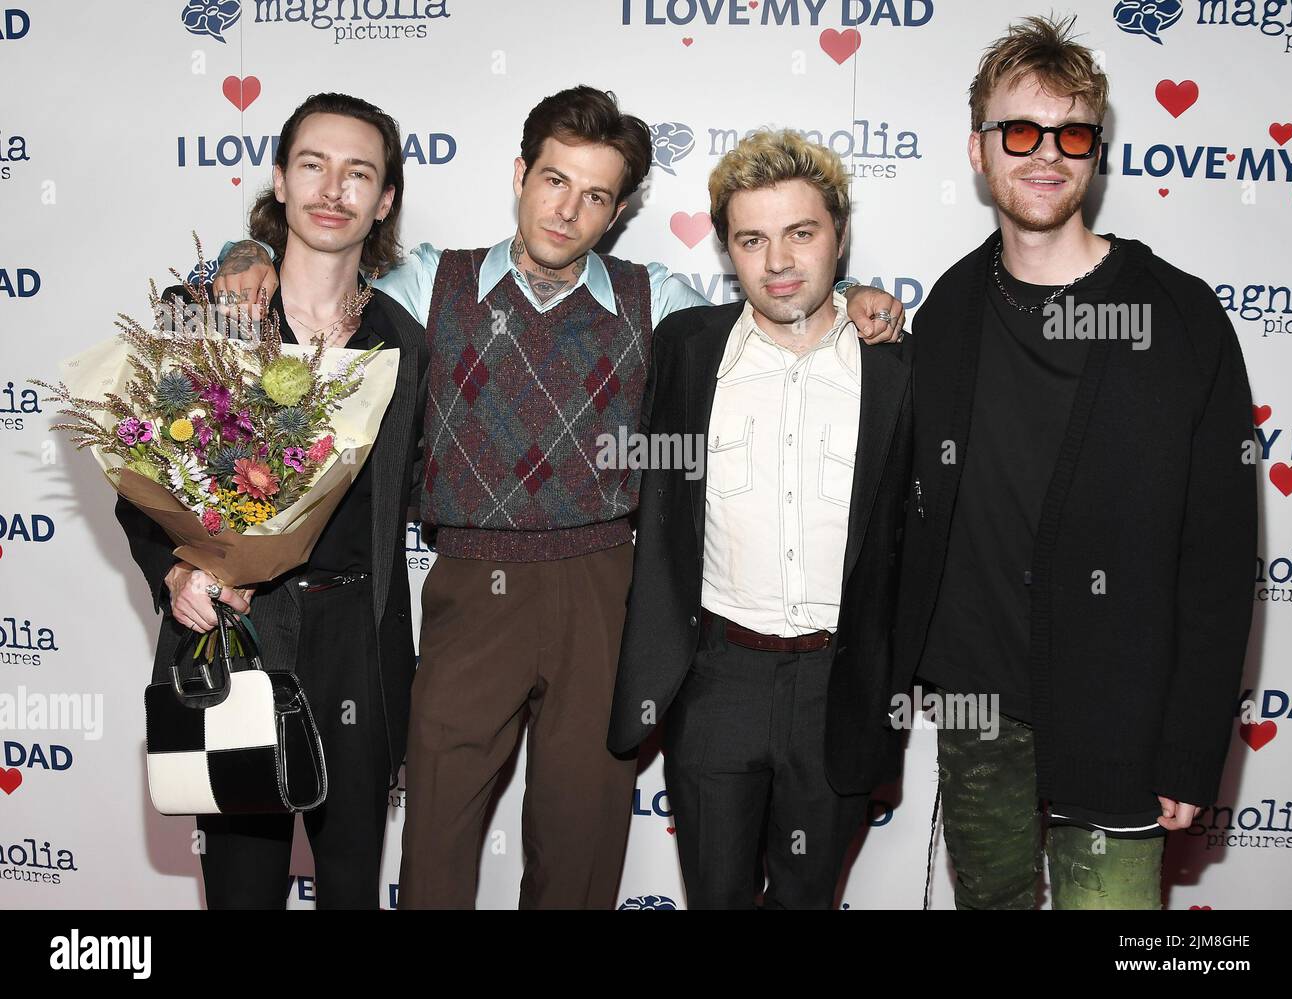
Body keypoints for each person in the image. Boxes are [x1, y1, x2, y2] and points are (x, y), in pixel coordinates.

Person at [212, 85, 905, 908]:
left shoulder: (660, 304)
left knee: (581, 845)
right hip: (469, 586)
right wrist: (241, 251)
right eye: (554, 181)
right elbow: (320, 266)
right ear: (519, 174)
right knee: (435, 846)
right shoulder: (432, 281)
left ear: (616, 212)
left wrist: (860, 297)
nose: (568, 210)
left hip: (605, 589)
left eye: (596, 196)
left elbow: (779, 297)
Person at [891, 16, 1257, 909]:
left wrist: (1190, 743)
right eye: (1018, 131)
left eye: (1072, 134)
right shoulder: (946, 309)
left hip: (1121, 709)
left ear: (1098, 151)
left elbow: (1218, 556)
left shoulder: (1181, 318)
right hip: (977, 707)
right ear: (977, 151)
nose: (1044, 155)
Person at [117, 92, 428, 909]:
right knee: (242, 886)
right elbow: (142, 483)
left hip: (360, 642)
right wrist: (177, 570)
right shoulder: (206, 316)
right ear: (282, 182)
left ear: (385, 199)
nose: (334, 189)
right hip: (237, 631)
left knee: (354, 887)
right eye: (313, 165)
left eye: (359, 173)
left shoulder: (403, 338)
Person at [607, 129, 913, 908]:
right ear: (726, 249)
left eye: (800, 233)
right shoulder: (686, 348)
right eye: (752, 239)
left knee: (809, 897)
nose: (778, 261)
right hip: (716, 679)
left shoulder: (897, 366)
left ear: (839, 236)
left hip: (838, 685)